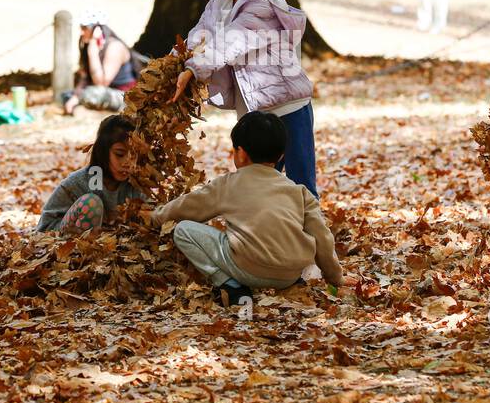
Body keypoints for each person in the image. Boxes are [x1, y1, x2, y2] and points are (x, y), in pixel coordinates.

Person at [169, 0, 319, 197]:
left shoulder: (263, 3)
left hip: (287, 108)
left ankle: (311, 240)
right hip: (253, 113)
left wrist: (194, 69)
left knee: (301, 186)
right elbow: (201, 34)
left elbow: (230, 42)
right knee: (256, 189)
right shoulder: (219, 1)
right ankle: (264, 238)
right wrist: (176, 62)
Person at [146, 111, 343, 307]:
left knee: (183, 230)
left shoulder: (228, 184)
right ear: (281, 155)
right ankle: (282, 280)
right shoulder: (299, 191)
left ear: (240, 153)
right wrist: (335, 277)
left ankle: (231, 286)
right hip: (289, 274)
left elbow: (187, 207)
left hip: (247, 269)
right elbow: (322, 236)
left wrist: (155, 217)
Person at [37, 115, 149, 233]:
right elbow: (43, 228)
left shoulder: (136, 184)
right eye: (119, 154)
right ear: (103, 152)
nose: (128, 162)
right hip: (56, 239)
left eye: (134, 155)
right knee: (91, 203)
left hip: (105, 244)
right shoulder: (80, 182)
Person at [62, 10, 139, 115]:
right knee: (67, 95)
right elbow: (84, 78)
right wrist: (75, 97)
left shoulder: (114, 47)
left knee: (92, 94)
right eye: (81, 27)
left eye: (85, 28)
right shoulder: (88, 45)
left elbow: (101, 84)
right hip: (103, 92)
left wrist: (92, 50)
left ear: (97, 29)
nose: (81, 32)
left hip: (124, 96)